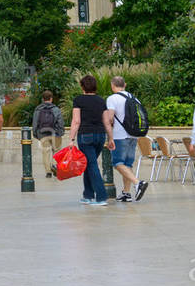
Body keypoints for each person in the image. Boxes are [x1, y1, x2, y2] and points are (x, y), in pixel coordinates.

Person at [68, 74, 113, 206]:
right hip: (100, 136)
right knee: (88, 163)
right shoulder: (101, 100)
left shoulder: (79, 100)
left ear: (82, 86)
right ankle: (87, 195)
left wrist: (71, 139)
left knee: (91, 165)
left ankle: (101, 197)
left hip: (85, 136)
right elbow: (106, 121)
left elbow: (76, 121)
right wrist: (111, 138)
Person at [107, 75, 149, 202]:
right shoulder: (134, 98)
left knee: (118, 163)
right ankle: (126, 193)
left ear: (112, 86)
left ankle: (138, 183)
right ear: (124, 85)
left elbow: (110, 118)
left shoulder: (112, 98)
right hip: (133, 134)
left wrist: (110, 136)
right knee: (127, 164)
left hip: (120, 135)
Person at [31, 90, 65, 178]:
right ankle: (54, 165)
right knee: (56, 151)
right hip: (55, 133)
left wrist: (35, 134)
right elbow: (60, 122)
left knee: (46, 153)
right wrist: (61, 132)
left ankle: (48, 172)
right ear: (51, 99)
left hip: (43, 134)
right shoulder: (56, 109)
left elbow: (35, 123)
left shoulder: (38, 109)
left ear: (43, 99)